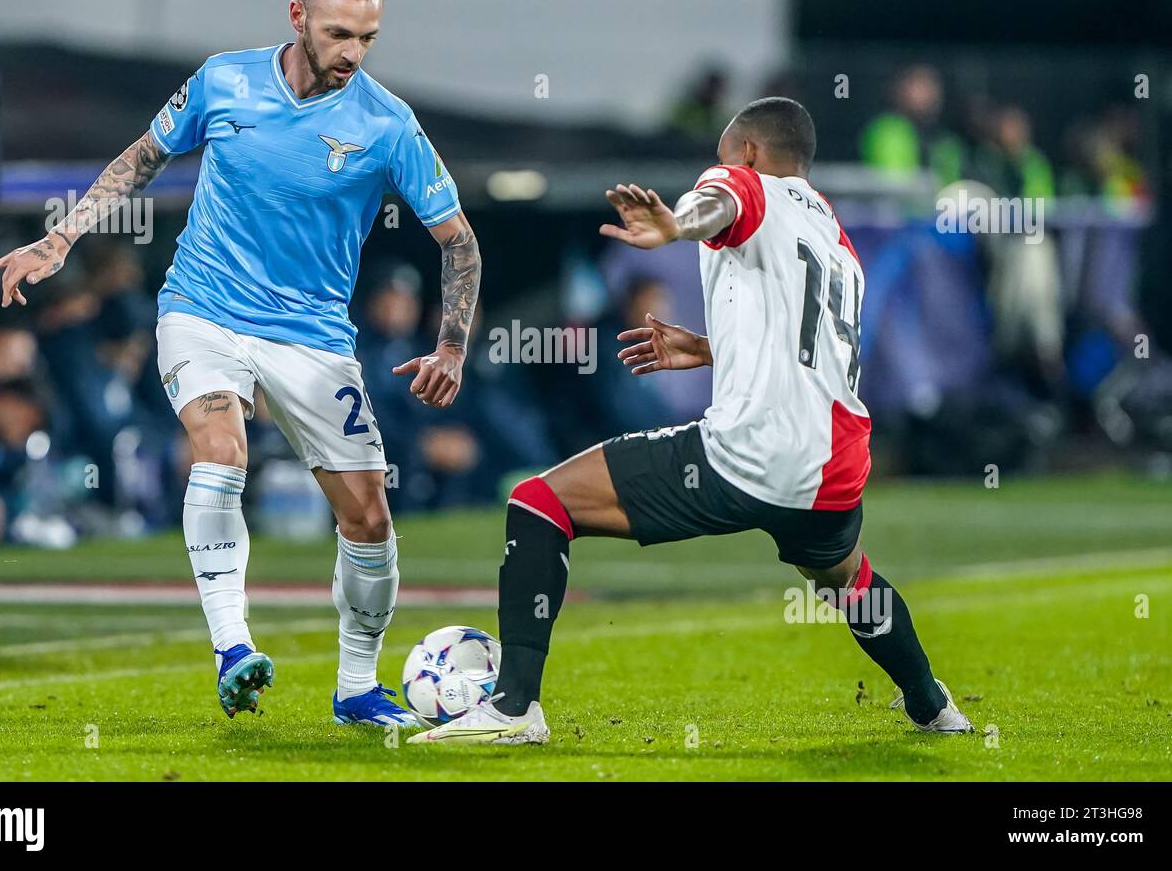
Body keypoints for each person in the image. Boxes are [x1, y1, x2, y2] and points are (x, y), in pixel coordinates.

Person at [0, 0, 482, 726]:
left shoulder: (388, 122)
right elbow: (143, 158)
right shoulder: (225, 80)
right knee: (220, 450)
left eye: (367, 38)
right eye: (338, 32)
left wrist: (452, 346)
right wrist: (62, 240)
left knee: (369, 518)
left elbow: (458, 239)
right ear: (298, 17)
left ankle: (356, 688)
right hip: (202, 309)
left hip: (313, 338)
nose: (352, 52)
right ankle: (232, 650)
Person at [412, 98, 972, 745]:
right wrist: (710, 349)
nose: (716, 164)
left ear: (752, 152)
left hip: (759, 449)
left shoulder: (742, 182)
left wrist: (676, 223)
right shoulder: (836, 241)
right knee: (846, 579)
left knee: (539, 504)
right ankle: (934, 707)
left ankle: (512, 710)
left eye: (723, 152)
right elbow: (812, 347)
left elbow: (723, 203)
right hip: (836, 462)